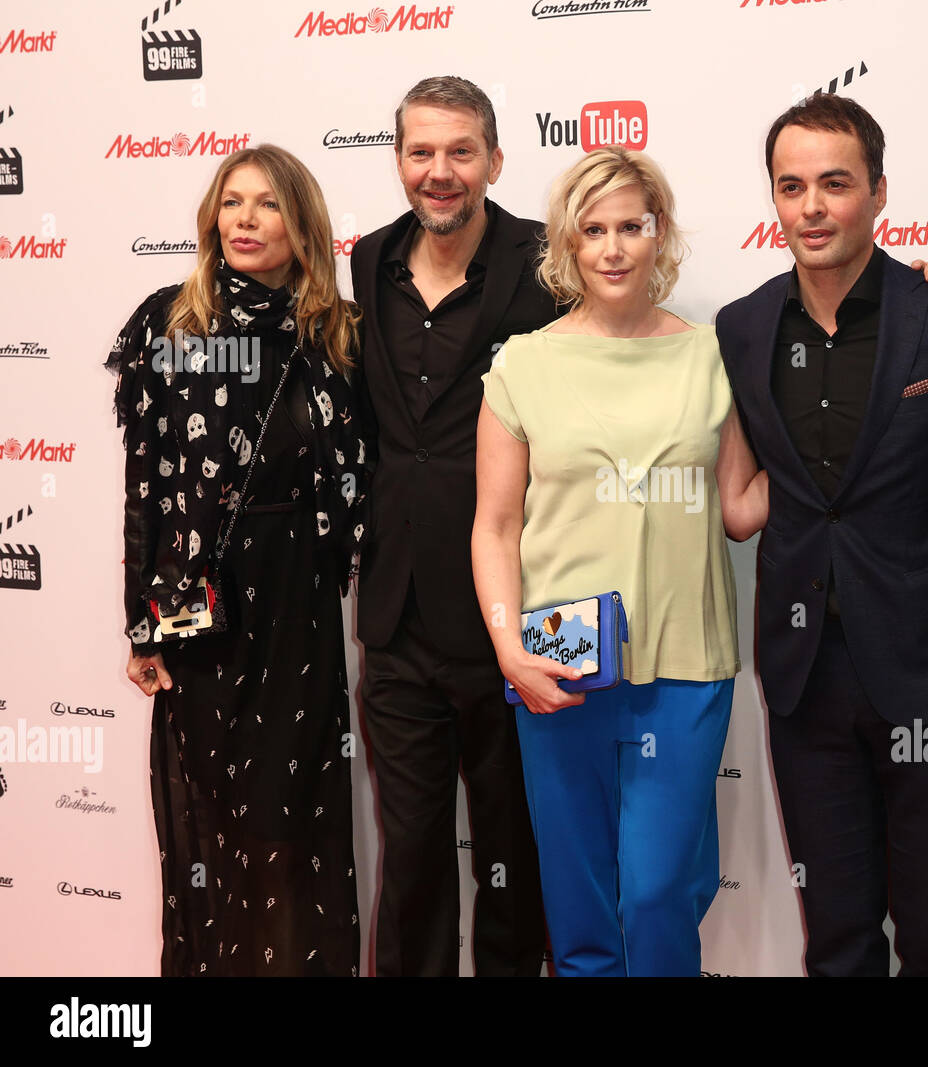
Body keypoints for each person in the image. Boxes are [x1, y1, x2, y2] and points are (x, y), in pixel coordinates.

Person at [715, 93, 928, 976]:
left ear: (879, 192)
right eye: (792, 186)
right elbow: (752, 492)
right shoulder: (744, 326)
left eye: (835, 183)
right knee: (835, 936)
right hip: (805, 676)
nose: (812, 206)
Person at [472, 146, 768, 977]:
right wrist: (508, 649)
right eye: (591, 230)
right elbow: (493, 527)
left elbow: (741, 507)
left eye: (629, 227)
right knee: (581, 907)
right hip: (558, 667)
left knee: (657, 892)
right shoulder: (523, 364)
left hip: (685, 666)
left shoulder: (713, 355)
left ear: (658, 232)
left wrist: (848, 448)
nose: (611, 248)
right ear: (566, 243)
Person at [110, 144, 368, 976]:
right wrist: (145, 625)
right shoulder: (173, 325)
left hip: (299, 609)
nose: (245, 221)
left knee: (293, 833)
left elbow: (362, 483)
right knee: (213, 832)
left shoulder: (334, 334)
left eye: (266, 205)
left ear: (302, 226)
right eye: (232, 203)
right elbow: (150, 487)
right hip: (202, 612)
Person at [348, 76, 550, 976]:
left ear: (494, 160)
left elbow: (637, 333)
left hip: (512, 614)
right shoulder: (367, 262)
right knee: (413, 855)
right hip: (395, 616)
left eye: (460, 152)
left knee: (514, 855)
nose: (440, 172)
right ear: (397, 161)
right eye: (421, 152)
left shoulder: (548, 262)